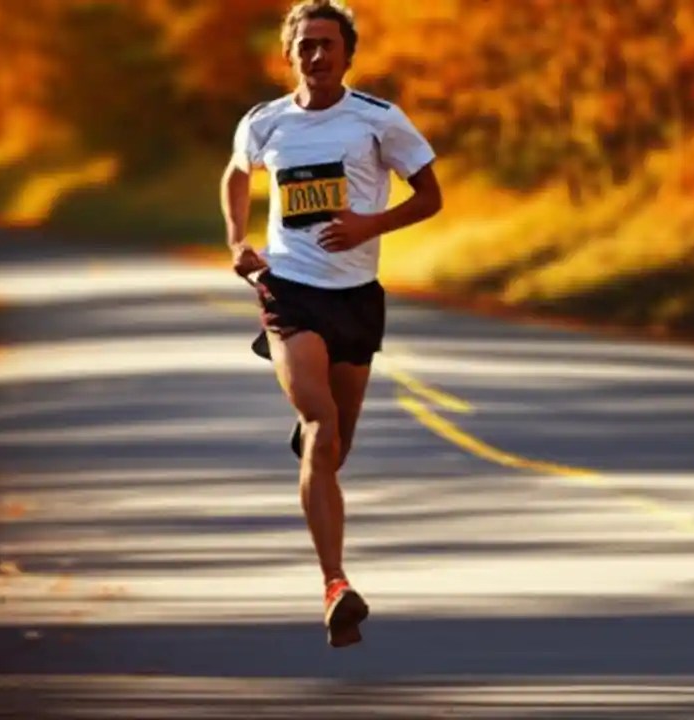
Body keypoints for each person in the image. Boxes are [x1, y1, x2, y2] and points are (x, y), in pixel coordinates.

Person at [219, 0, 442, 648]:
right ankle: (336, 584)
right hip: (289, 290)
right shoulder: (264, 123)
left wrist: (372, 224)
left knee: (336, 443)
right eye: (304, 45)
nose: (316, 55)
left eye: (327, 44)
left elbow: (430, 196)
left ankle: (319, 433)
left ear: (348, 53)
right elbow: (236, 176)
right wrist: (237, 241)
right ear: (289, 55)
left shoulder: (377, 120)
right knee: (321, 429)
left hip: (357, 299)